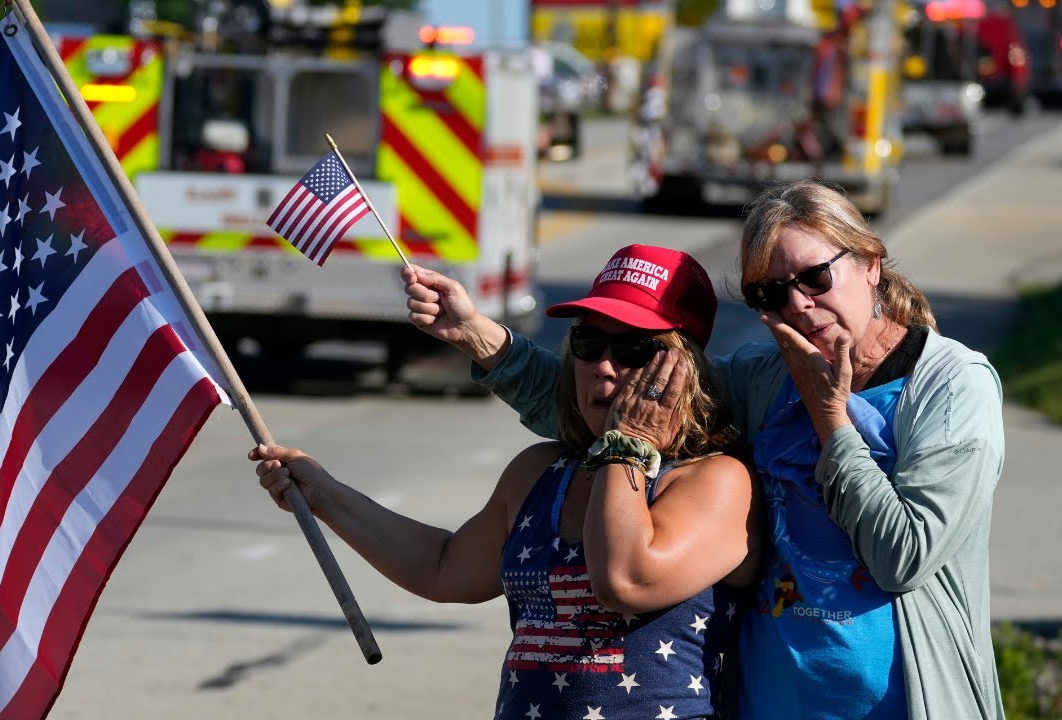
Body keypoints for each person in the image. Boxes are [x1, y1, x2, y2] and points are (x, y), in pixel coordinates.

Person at [401, 180, 1006, 719]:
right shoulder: (764, 375)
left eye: (815, 277)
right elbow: (617, 400)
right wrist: (480, 337)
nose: (797, 304)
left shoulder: (951, 386)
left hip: (899, 703)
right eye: (770, 294)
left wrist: (831, 422)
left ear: (871, 263)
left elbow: (902, 557)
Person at [254, 244, 761, 719]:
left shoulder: (718, 480)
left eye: (633, 351)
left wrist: (627, 444)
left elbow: (626, 581)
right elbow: (444, 568)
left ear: (684, 367)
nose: (604, 367)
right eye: (587, 342)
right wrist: (323, 494)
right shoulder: (540, 472)